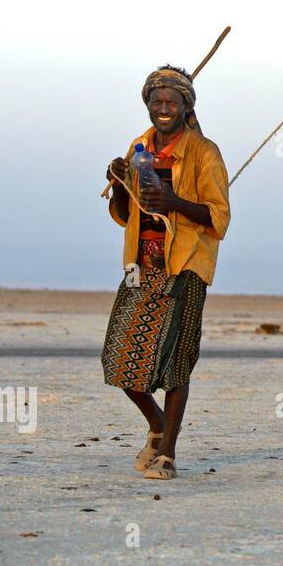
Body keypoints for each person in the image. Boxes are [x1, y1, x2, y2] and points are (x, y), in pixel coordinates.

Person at [103, 65, 230, 480]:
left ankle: (167, 455)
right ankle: (157, 426)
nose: (163, 108)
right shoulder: (138, 146)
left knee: (176, 362)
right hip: (141, 265)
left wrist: (174, 201)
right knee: (119, 359)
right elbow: (125, 215)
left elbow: (220, 218)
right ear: (148, 104)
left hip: (186, 266)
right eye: (157, 101)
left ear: (185, 107)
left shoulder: (203, 152)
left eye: (171, 102)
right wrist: (121, 183)